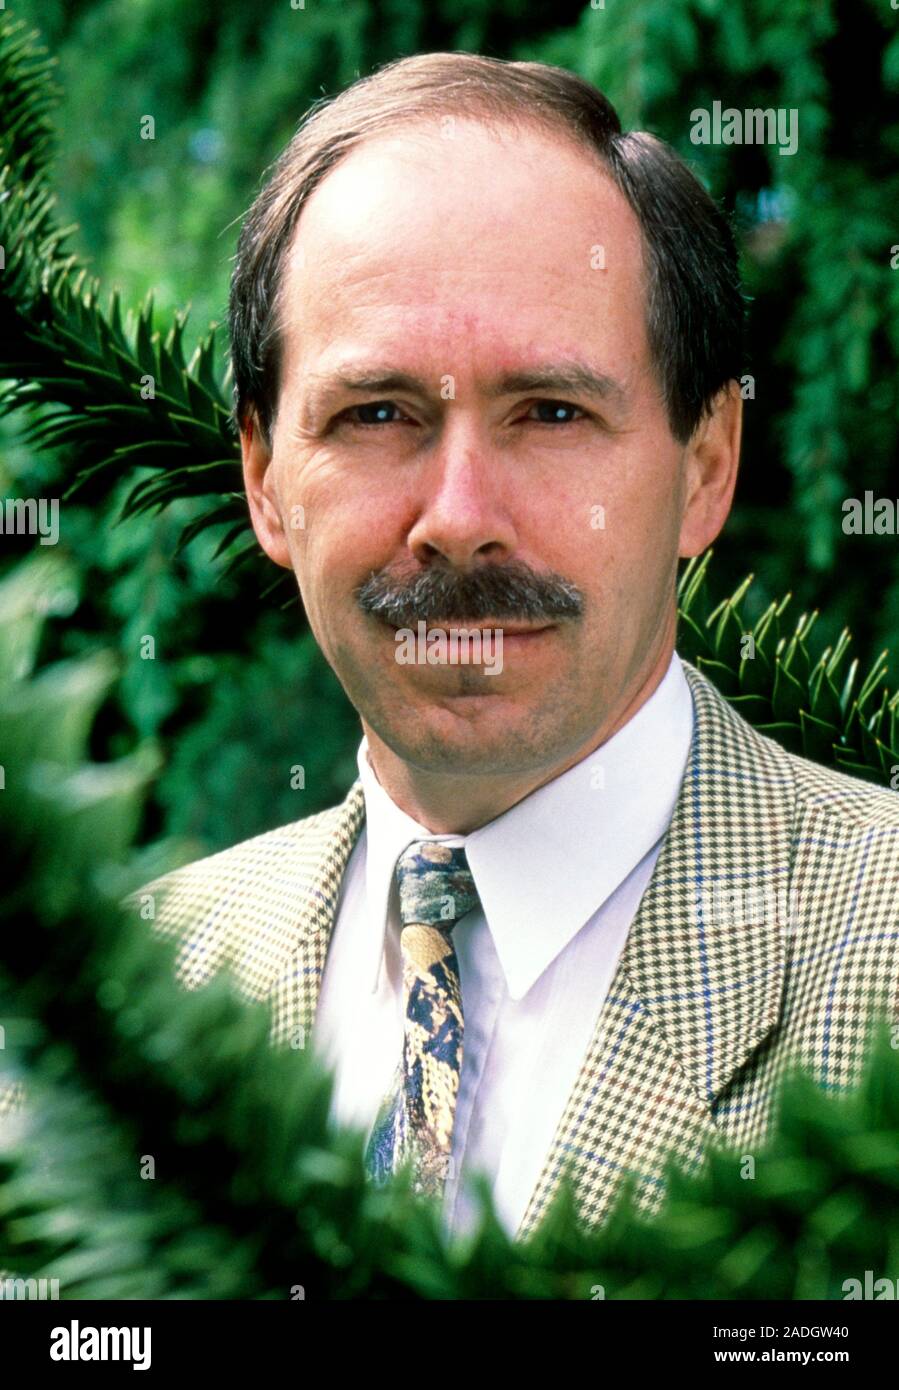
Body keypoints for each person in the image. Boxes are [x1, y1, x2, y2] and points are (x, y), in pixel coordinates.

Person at [134, 52, 899, 1245]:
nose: (457, 515)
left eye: (549, 412)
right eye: (376, 413)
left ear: (704, 465)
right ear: (263, 479)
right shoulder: (126, 983)